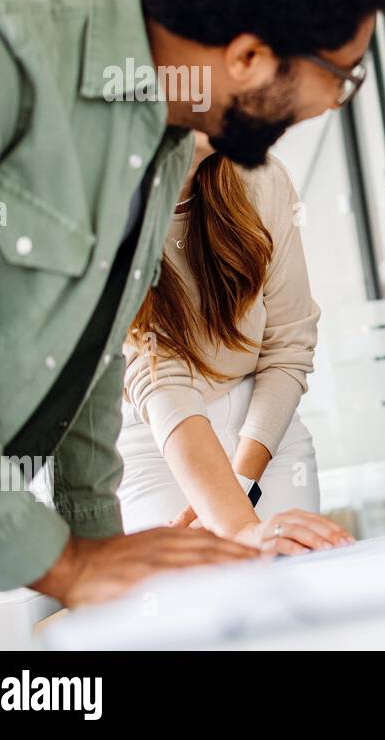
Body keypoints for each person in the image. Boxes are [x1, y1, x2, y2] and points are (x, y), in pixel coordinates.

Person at [0, 0, 385, 604]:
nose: (333, 104)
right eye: (340, 75)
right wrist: (67, 565)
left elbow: (91, 373)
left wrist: (98, 566)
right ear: (249, 56)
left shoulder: (165, 143)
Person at [118, 133, 350, 555]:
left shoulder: (262, 179)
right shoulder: (103, 202)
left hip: (263, 430)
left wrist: (241, 484)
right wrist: (236, 523)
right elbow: (157, 378)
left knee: (287, 590)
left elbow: (289, 346)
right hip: (157, 434)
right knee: (185, 600)